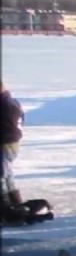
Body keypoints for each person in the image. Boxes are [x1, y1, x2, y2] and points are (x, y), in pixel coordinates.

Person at [1, 81, 24, 212]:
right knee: (8, 174)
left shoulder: (5, 105)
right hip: (11, 144)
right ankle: (14, 203)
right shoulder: (12, 102)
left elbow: (8, 128)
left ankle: (5, 206)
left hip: (6, 144)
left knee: (2, 174)